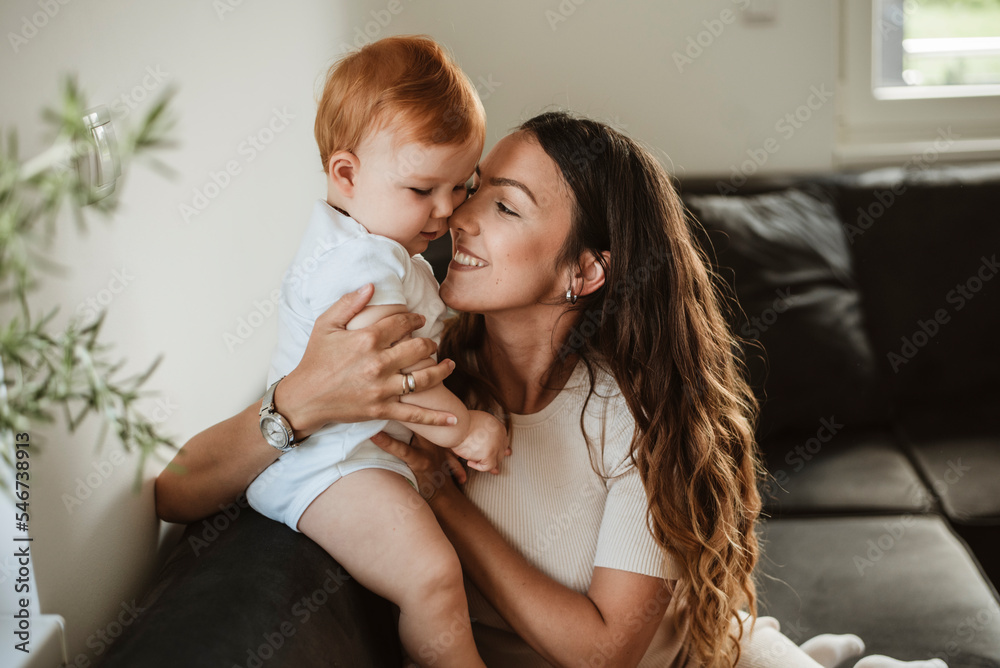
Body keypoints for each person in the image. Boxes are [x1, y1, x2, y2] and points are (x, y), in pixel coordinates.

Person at [156, 111, 947, 668]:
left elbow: (605, 652)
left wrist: (445, 500)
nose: (458, 216)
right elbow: (177, 490)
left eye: (503, 205)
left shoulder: (630, 417)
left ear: (586, 271)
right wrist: (301, 400)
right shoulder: (414, 359)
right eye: (473, 188)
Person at [244, 35, 507, 668]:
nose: (446, 211)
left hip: (354, 454)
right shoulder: (358, 261)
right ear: (346, 173)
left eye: (461, 185)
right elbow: (400, 369)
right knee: (432, 576)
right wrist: (465, 428)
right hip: (326, 465)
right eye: (422, 190)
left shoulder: (380, 247)